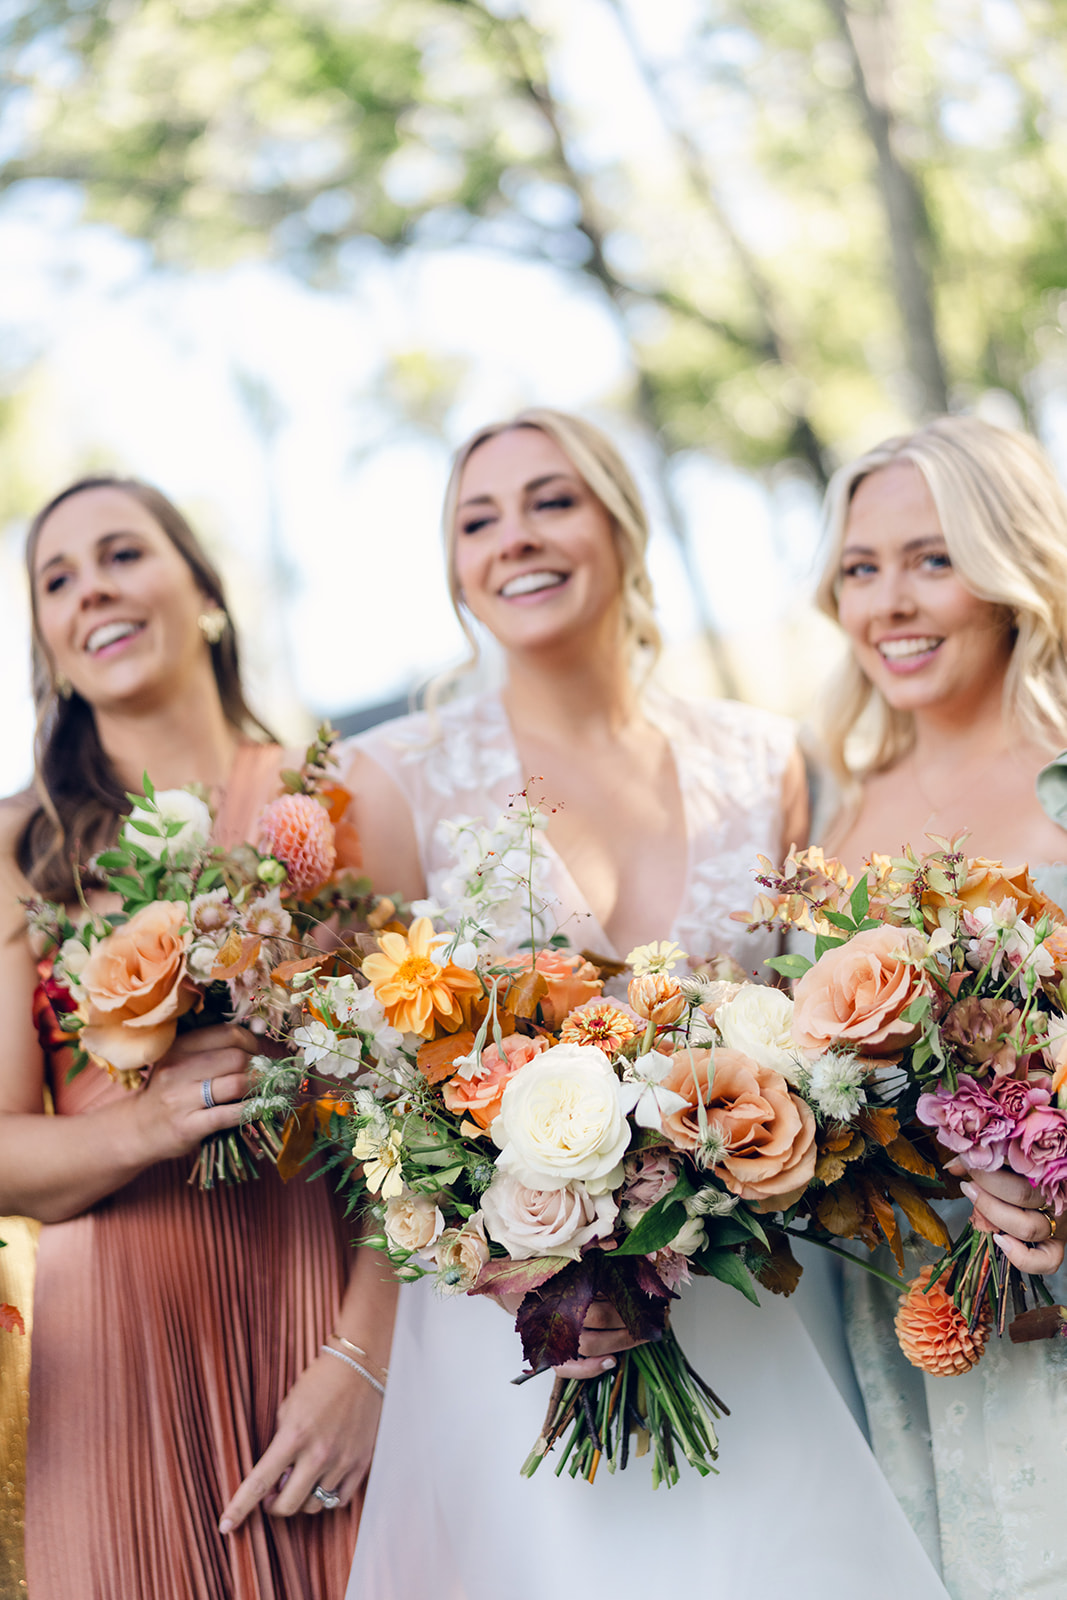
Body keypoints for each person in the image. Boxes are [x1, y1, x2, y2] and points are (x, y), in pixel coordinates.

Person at [343, 409, 950, 1600]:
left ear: (621, 524)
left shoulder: (762, 758)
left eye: (551, 500)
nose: (514, 536)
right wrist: (489, 1281)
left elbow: (804, 1036)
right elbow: (373, 1107)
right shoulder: (396, 779)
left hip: (743, 1319)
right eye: (477, 518)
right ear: (455, 570)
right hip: (508, 1348)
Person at [0, 476, 395, 1600]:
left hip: (326, 1331)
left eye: (122, 553)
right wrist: (148, 1122)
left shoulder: (341, 801)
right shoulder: (18, 849)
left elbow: (433, 1120)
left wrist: (367, 1359)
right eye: (57, 579)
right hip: (118, 1372)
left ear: (205, 594)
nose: (93, 592)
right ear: (47, 641)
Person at [814, 415, 1067, 1600]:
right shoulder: (828, 818)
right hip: (898, 1322)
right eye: (859, 569)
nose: (888, 604)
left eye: (931, 558)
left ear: (1010, 563)